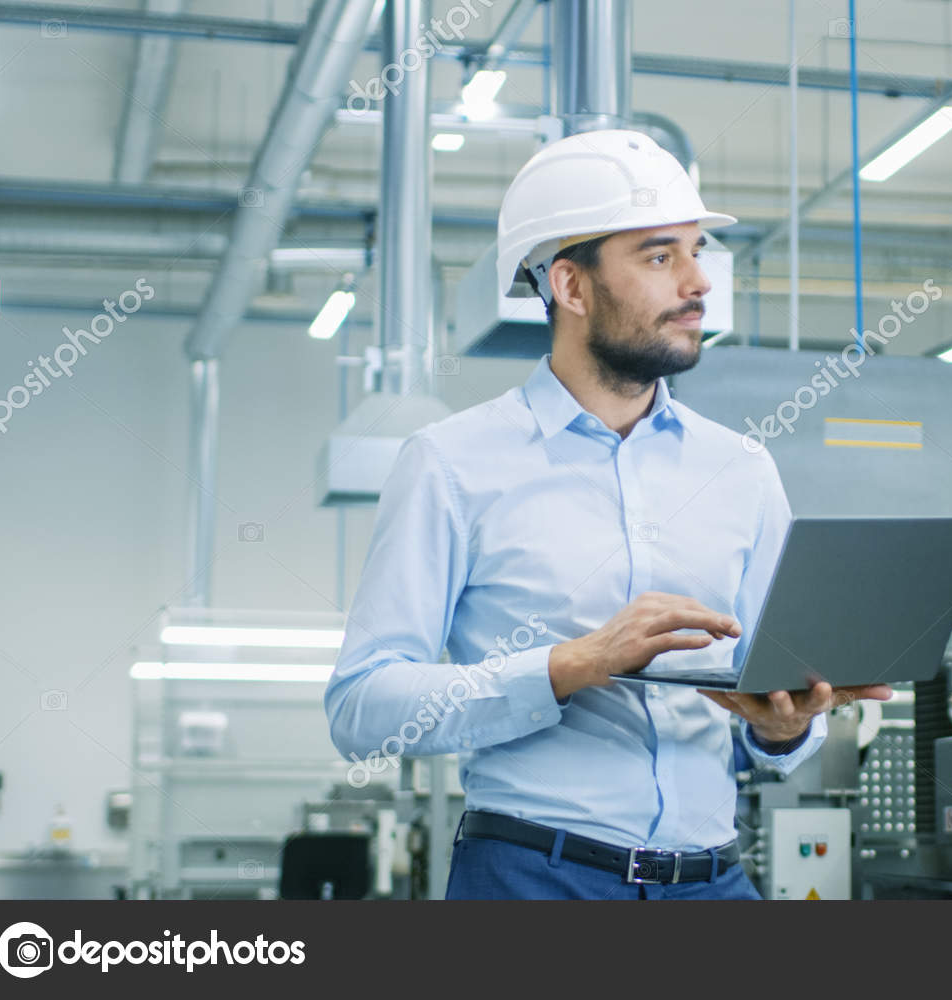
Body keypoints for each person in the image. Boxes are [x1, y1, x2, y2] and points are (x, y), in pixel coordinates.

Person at [325, 129, 891, 900]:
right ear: (571, 285)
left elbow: (777, 692)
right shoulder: (451, 464)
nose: (698, 282)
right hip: (533, 879)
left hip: (712, 882)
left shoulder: (741, 469)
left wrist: (785, 726)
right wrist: (567, 666)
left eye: (696, 252)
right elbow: (360, 709)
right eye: (660, 257)